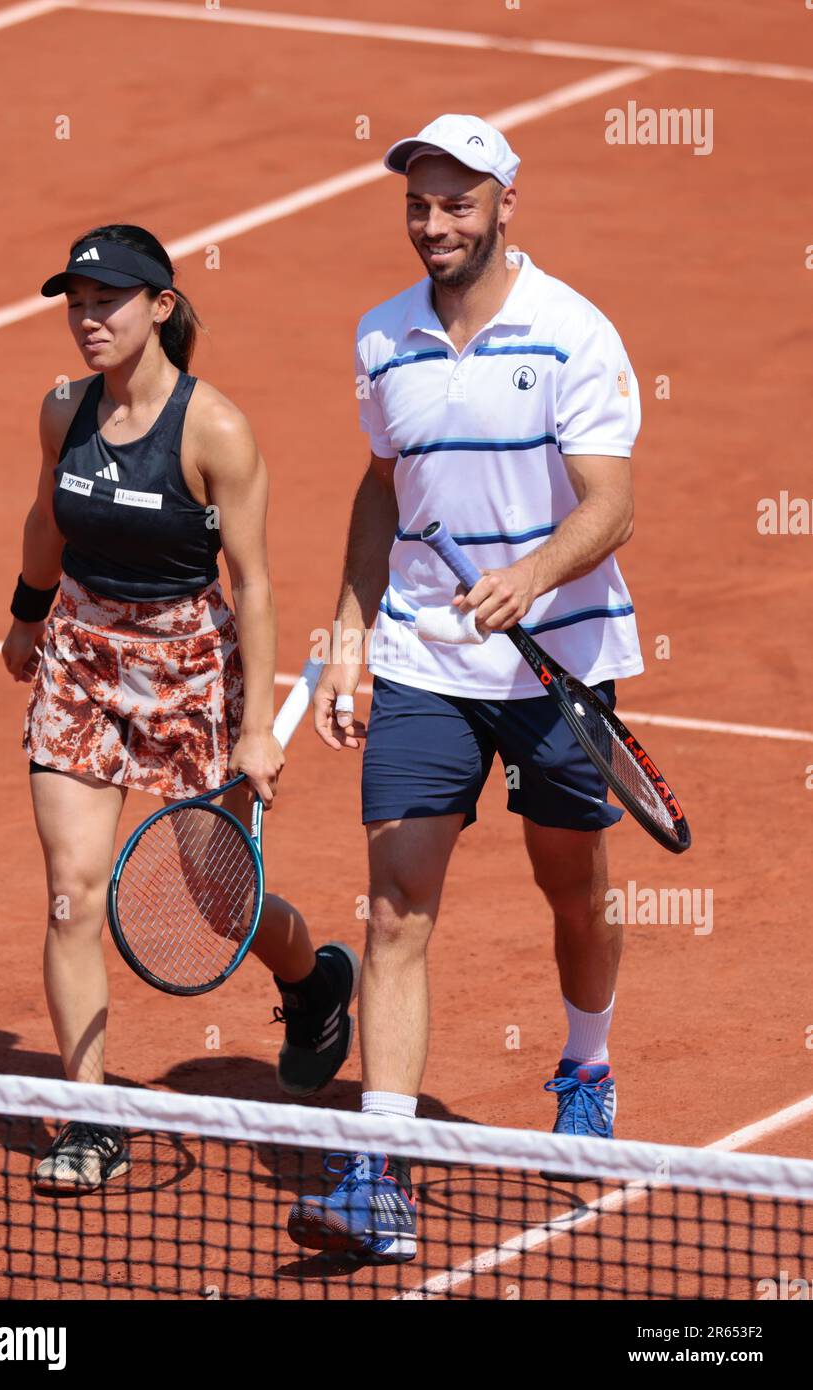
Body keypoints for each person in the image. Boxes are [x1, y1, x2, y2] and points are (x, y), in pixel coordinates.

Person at [290, 115, 642, 1262]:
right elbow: (380, 486)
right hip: (421, 660)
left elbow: (610, 503)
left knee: (573, 889)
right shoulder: (382, 336)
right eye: (418, 205)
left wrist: (531, 577)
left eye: (456, 203)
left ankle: (585, 1063)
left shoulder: (574, 331)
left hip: (559, 666)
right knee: (395, 906)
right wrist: (348, 634)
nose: (433, 224)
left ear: (503, 205)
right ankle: (378, 1165)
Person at [1, 224, 358, 1189]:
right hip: (80, 660)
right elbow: (46, 520)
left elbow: (257, 585)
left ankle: (314, 976)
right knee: (72, 890)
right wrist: (29, 617)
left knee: (216, 906)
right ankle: (90, 1119)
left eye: (106, 301)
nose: (86, 319)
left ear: (160, 307)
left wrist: (253, 731)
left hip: (192, 672)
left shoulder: (215, 430)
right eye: (74, 302)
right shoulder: (62, 410)